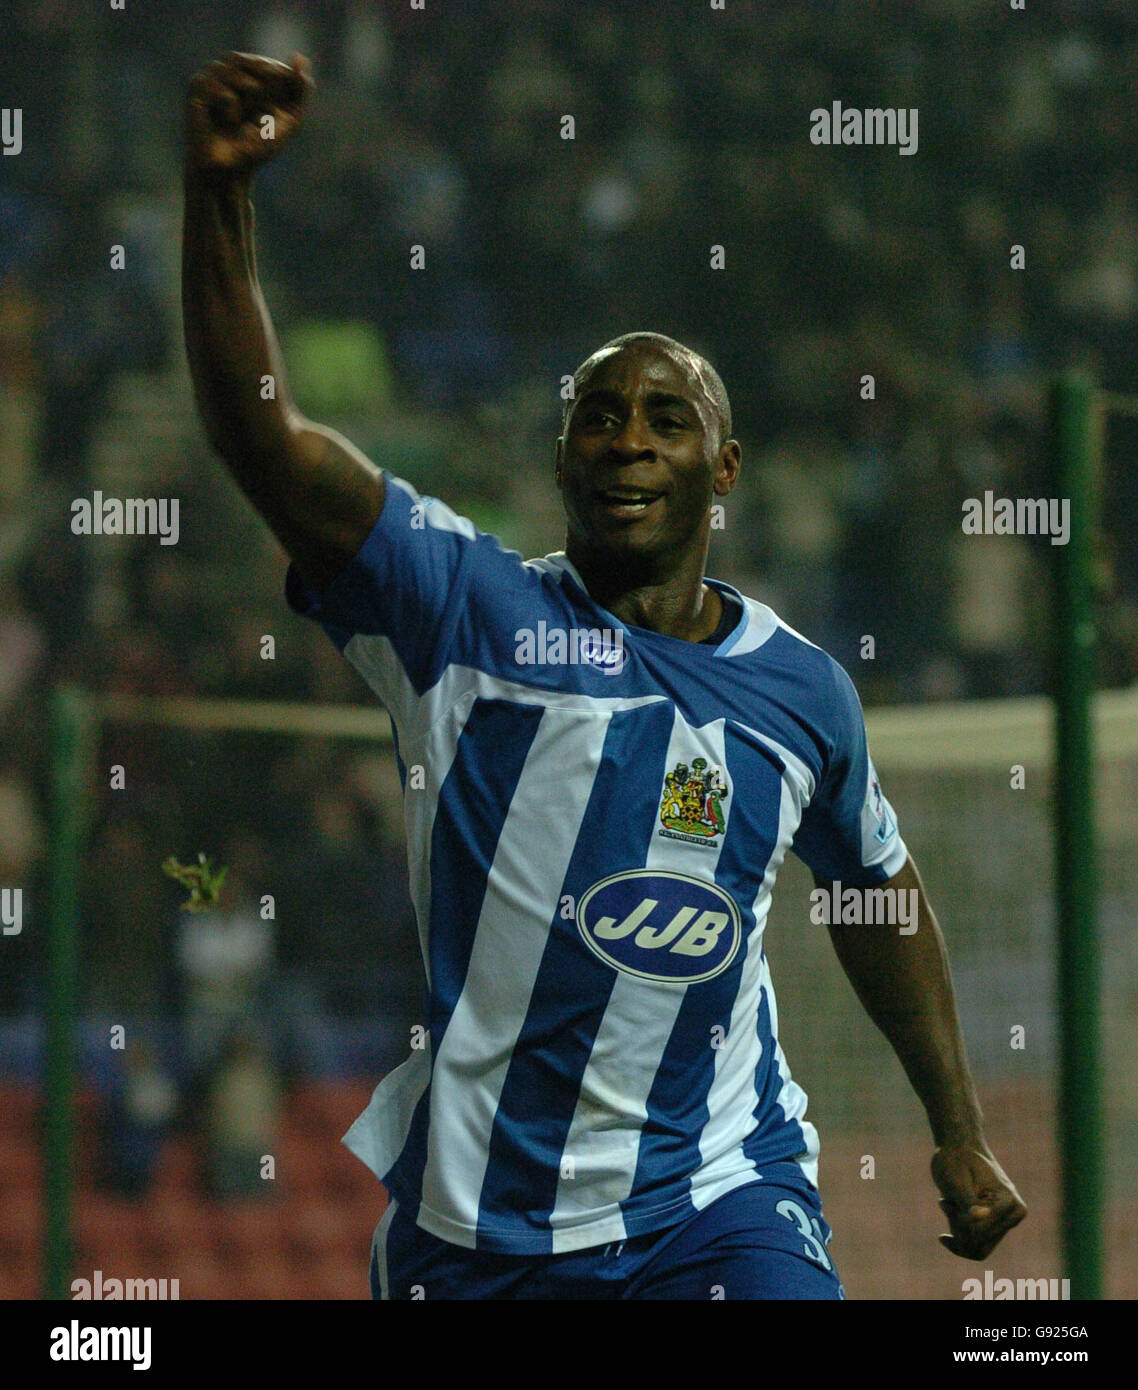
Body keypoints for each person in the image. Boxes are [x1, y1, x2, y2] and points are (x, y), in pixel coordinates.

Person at [182, 52, 1026, 1299]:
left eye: (665, 416)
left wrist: (954, 1125)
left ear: (723, 467)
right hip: (480, 1234)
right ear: (564, 456)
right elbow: (265, 440)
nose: (627, 435)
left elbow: (877, 889)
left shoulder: (801, 693)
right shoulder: (465, 609)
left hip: (717, 1198)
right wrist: (218, 198)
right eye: (598, 413)